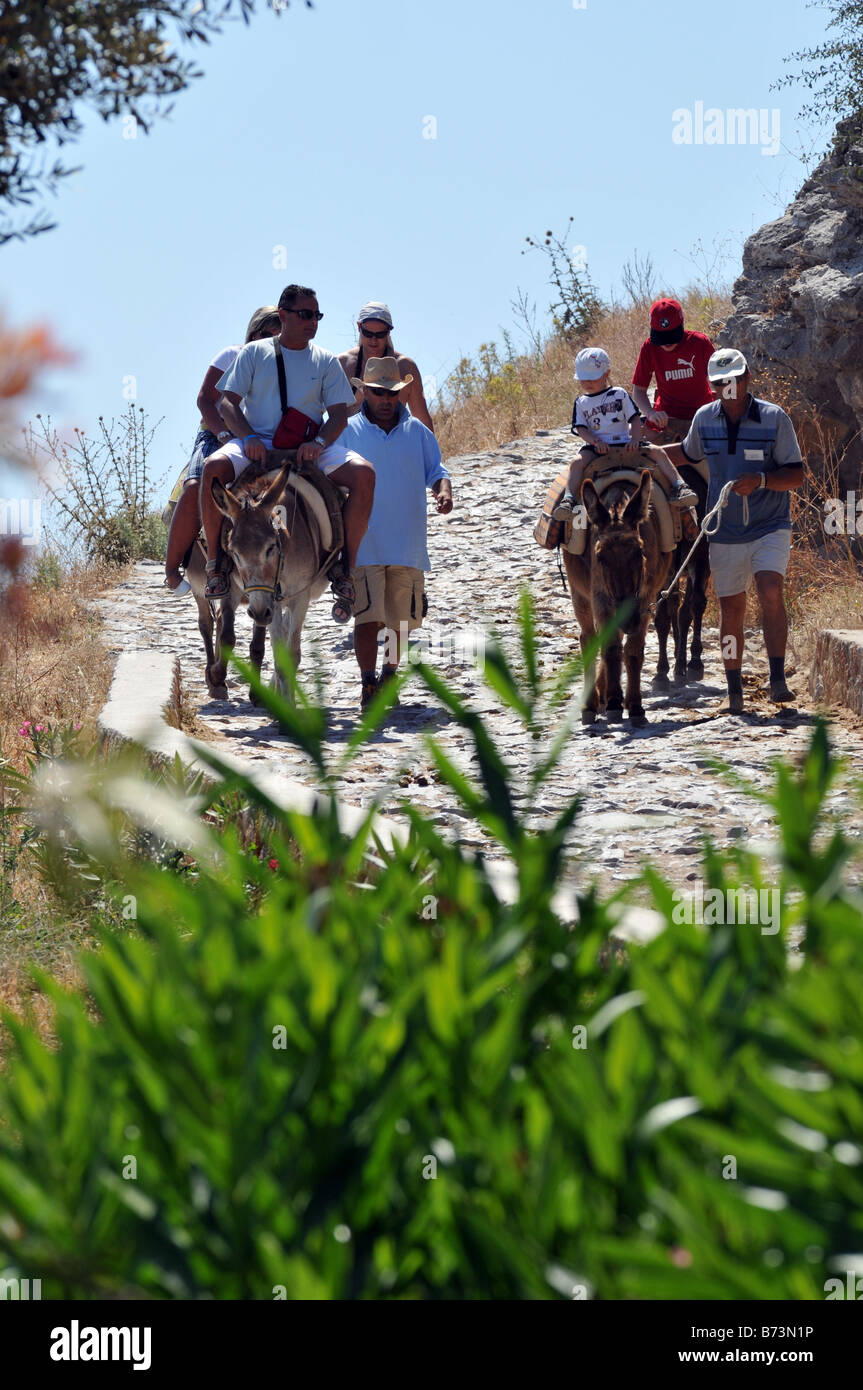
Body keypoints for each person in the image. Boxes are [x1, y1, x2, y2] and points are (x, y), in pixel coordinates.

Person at [199, 284, 375, 620]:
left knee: (365, 474)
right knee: (212, 468)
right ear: (283, 315)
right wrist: (247, 436)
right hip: (258, 443)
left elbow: (338, 413)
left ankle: (345, 570)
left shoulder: (324, 360)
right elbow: (227, 402)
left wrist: (319, 443)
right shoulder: (253, 354)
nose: (313, 322)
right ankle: (216, 566)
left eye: (317, 315)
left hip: (307, 446)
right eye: (305, 314)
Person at [664, 348, 804, 714]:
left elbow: (797, 474)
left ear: (747, 379)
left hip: (770, 525)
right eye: (721, 382)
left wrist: (761, 480)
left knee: (770, 590)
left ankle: (777, 679)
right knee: (730, 608)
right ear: (711, 387)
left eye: (735, 379)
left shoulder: (775, 419)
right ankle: (735, 689)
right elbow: (686, 452)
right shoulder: (703, 419)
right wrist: (644, 453)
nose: (729, 387)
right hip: (724, 529)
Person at [341, 357, 452, 710]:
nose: (385, 400)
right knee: (367, 618)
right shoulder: (348, 431)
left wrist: (443, 490)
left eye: (391, 393)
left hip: (407, 544)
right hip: (364, 543)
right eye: (377, 392)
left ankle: (390, 674)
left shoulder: (418, 431)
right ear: (365, 393)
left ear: (401, 394)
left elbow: (437, 469)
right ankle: (368, 682)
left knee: (400, 622)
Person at [164, 305, 281, 593]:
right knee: (198, 484)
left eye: (279, 338)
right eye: (268, 335)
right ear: (254, 333)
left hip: (255, 440)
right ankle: (188, 567)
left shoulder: (281, 368)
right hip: (217, 434)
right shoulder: (231, 355)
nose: (272, 342)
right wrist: (224, 434)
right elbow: (205, 400)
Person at [552, 347, 697, 522]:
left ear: (607, 373)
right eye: (583, 379)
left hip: (624, 442)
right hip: (597, 447)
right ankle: (569, 499)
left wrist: (635, 439)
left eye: (593, 377)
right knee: (576, 463)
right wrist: (595, 442)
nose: (588, 382)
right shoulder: (581, 402)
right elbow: (582, 429)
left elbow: (635, 419)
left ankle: (679, 486)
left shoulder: (619, 394)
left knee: (659, 452)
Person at [338, 301, 435, 431]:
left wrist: (432, 450)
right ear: (359, 327)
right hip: (351, 447)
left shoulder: (406, 368)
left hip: (394, 444)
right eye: (368, 333)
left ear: (389, 331)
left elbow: (423, 421)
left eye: (380, 335)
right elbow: (318, 411)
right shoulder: (343, 365)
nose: (373, 340)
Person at [631, 298, 715, 445]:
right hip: (666, 419)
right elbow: (639, 390)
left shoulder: (700, 342)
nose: (667, 343)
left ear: (681, 324)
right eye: (662, 338)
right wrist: (651, 413)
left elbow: (719, 381)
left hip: (700, 414)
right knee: (631, 433)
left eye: (671, 336)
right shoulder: (649, 347)